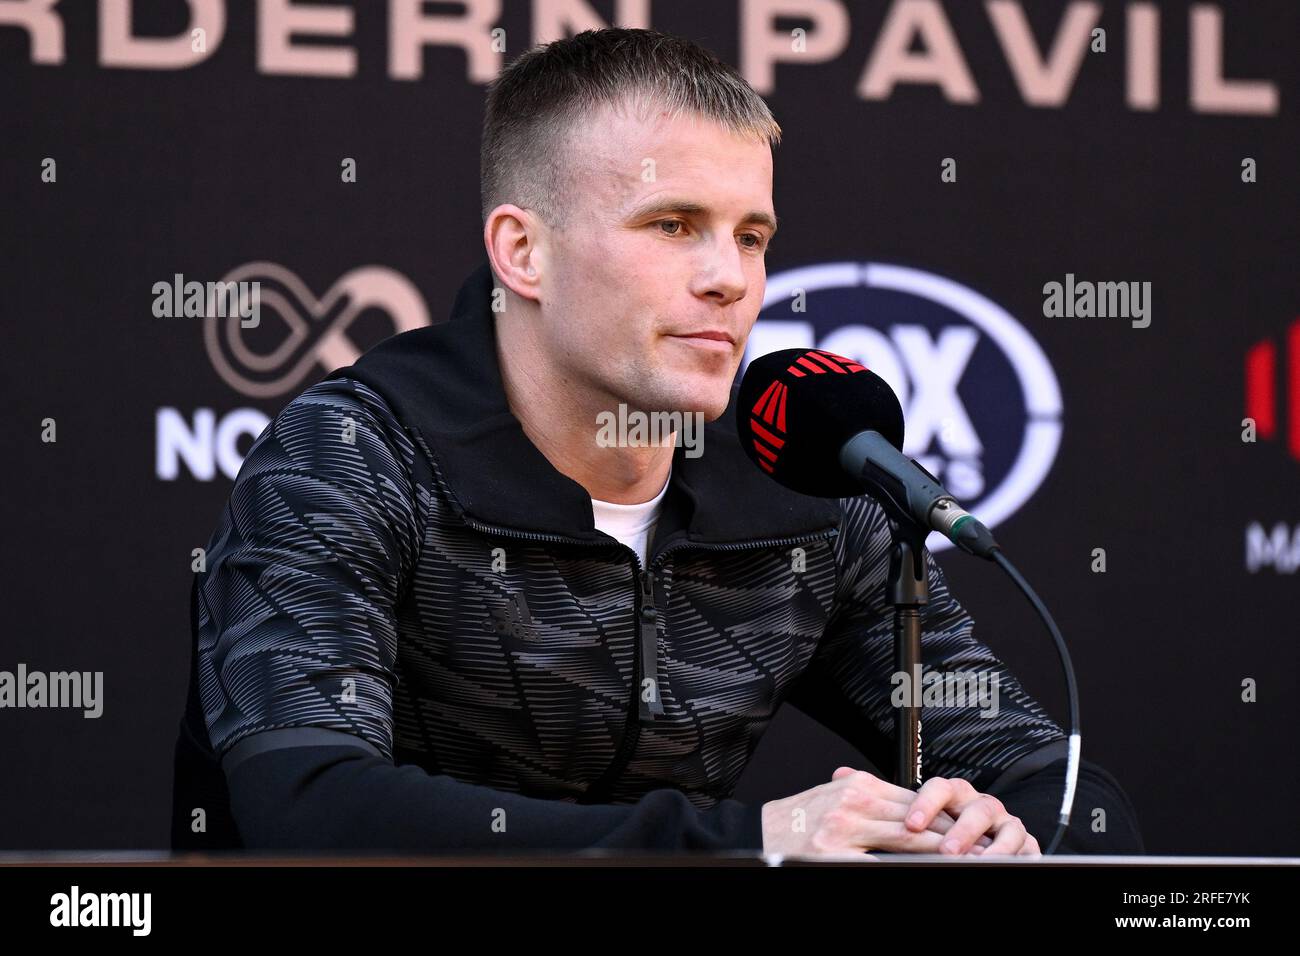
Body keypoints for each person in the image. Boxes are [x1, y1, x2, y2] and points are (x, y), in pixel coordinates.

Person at [171, 27, 1142, 857]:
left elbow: (1060, 787)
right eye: (673, 224)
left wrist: (998, 824)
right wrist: (748, 842)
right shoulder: (351, 457)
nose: (728, 278)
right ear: (523, 251)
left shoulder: (806, 488)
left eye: (751, 236)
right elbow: (307, 809)